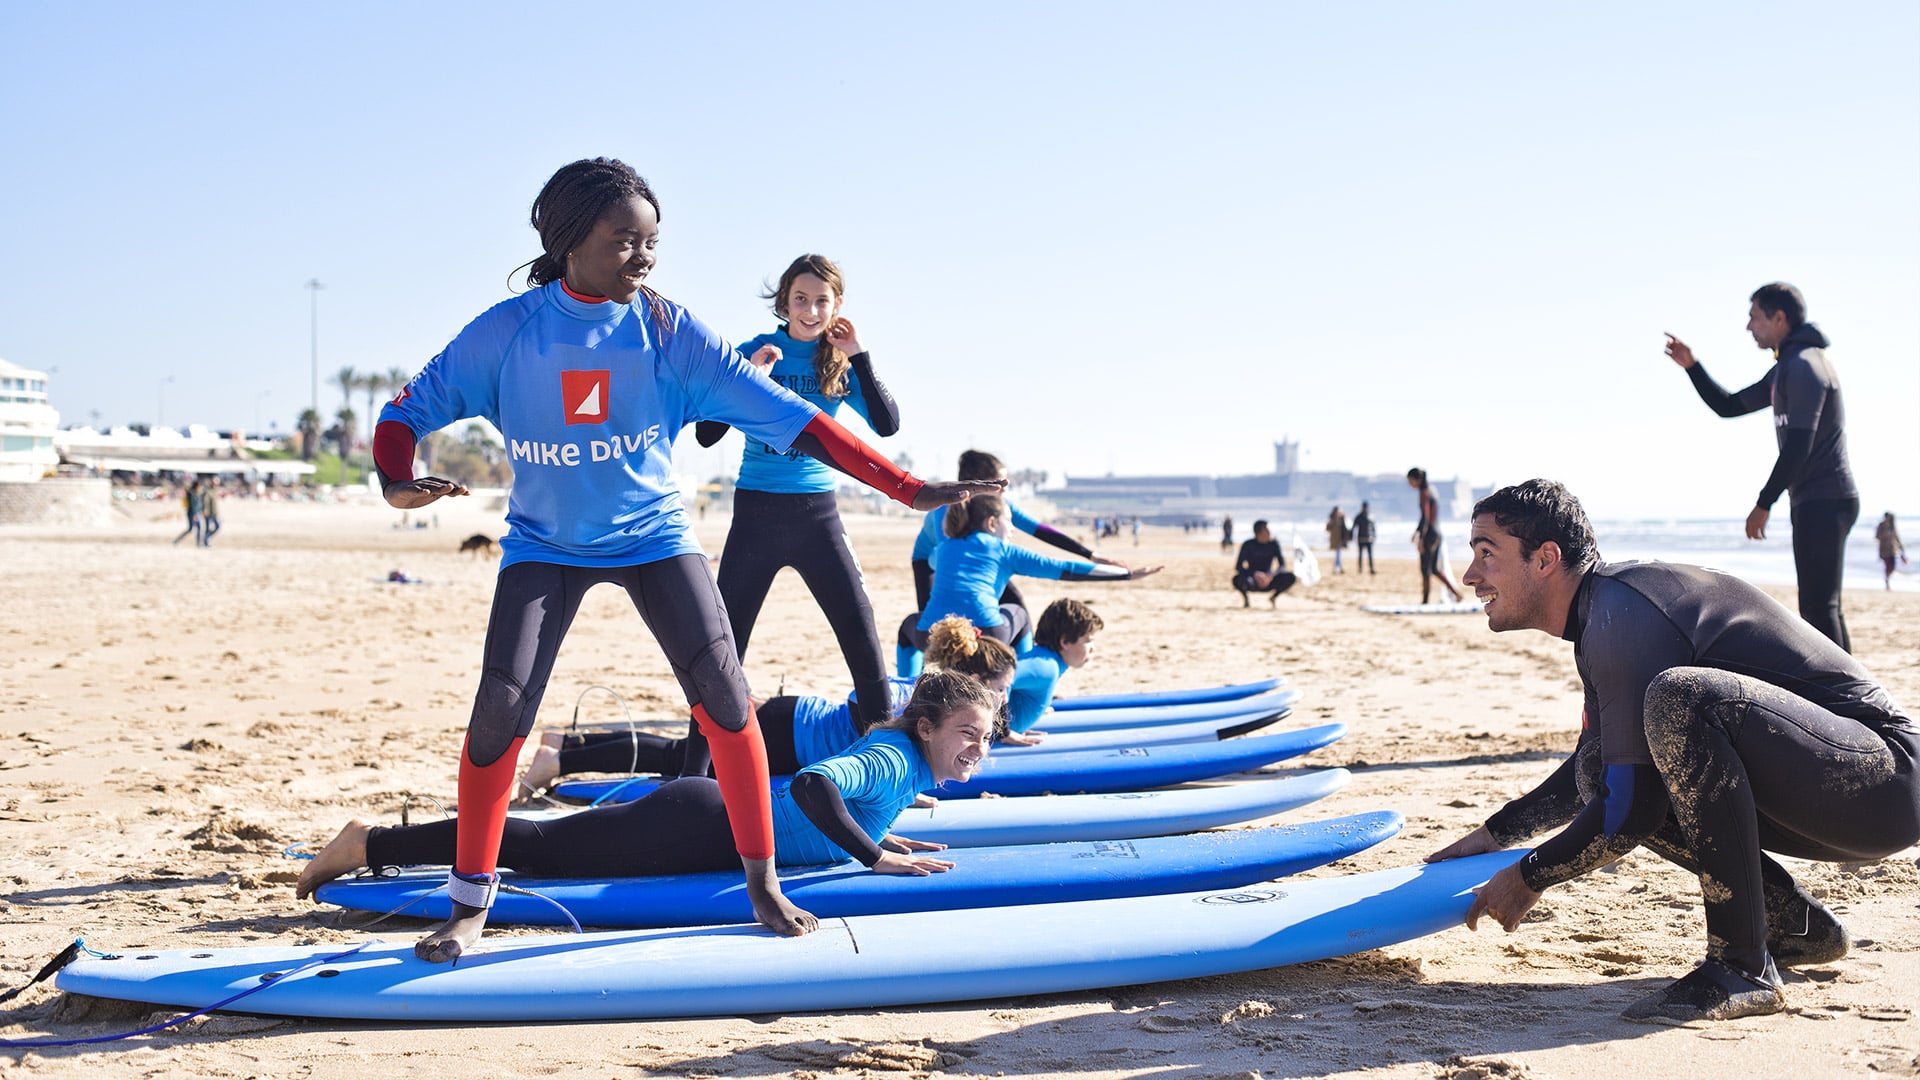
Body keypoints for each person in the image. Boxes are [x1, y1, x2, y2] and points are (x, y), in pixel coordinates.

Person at [369, 157, 1000, 964]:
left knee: (726, 700)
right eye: (624, 241)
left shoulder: (669, 331)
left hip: (655, 538)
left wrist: (906, 487)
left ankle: (762, 879)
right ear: (568, 242)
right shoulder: (509, 332)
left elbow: (792, 417)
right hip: (544, 546)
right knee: (499, 713)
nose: (644, 257)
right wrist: (395, 483)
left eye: (652, 242)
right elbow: (407, 410)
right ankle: (468, 904)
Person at [1427, 479, 1919, 1023]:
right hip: (1831, 792)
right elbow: (1599, 775)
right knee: (1602, 768)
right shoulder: (1603, 614)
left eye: (1486, 554)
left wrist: (1530, 874)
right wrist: (1494, 835)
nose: (1471, 575)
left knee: (1680, 701)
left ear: (1545, 559)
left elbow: (1632, 811)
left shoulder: (1620, 613)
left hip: (1883, 779)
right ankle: (1795, 926)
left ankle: (1741, 968)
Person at [295, 671, 1004, 899]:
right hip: (695, 823)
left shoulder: (905, 765)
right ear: (925, 727)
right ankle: (371, 843)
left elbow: (830, 805)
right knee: (540, 851)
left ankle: (377, 842)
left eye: (986, 737)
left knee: (544, 851)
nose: (978, 748)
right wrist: (872, 856)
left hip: (705, 824)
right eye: (967, 733)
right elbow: (816, 786)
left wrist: (881, 832)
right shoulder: (892, 761)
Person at [692, 255, 901, 735]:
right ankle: (697, 776)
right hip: (755, 516)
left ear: (837, 305)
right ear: (784, 301)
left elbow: (888, 426)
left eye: (820, 301)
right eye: (800, 299)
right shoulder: (756, 350)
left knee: (862, 636)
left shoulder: (840, 361)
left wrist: (860, 355)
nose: (810, 310)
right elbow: (706, 434)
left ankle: (888, 767)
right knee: (724, 648)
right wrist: (750, 380)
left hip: (817, 518)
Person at [514, 615, 1016, 797]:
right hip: (789, 732)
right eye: (995, 691)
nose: (997, 705)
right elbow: (867, 724)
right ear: (972, 681)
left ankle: (567, 747)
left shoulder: (922, 690)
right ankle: (563, 758)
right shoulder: (917, 697)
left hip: (794, 721)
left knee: (679, 755)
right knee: (679, 762)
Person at [1664, 283, 1858, 651]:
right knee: (1822, 608)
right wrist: (1693, 367)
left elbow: (1798, 446)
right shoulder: (1787, 367)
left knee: (1819, 610)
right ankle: (1852, 701)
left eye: (1754, 316)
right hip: (1817, 499)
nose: (1749, 326)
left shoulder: (1803, 366)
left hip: (1825, 498)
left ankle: (1847, 700)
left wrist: (1764, 502)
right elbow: (1730, 406)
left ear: (1779, 318)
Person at [899, 494, 1157, 674]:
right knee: (1019, 614)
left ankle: (907, 692)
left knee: (906, 628)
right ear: (991, 523)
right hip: (986, 636)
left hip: (933, 637)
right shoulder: (1004, 550)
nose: (1011, 529)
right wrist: (1123, 575)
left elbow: (930, 562)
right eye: (1008, 521)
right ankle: (1018, 687)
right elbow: (1062, 569)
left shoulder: (944, 547)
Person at [909, 450, 1108, 612]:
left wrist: (1089, 555)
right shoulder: (945, 507)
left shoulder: (1000, 505)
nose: (1005, 488)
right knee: (929, 621)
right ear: (978, 482)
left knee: (1016, 605)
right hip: (929, 561)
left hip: (977, 557)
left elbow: (1042, 531)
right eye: (999, 482)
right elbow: (944, 555)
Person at [998, 598, 1103, 746]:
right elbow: (996, 677)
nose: (1093, 648)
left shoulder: (1046, 662)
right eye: (1088, 640)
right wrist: (1003, 730)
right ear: (1065, 642)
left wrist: (1018, 725)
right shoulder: (1046, 667)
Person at [1407, 467, 1464, 603]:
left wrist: (1420, 537)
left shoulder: (1424, 493)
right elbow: (1426, 517)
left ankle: (1425, 601)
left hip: (1430, 534)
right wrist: (1417, 532)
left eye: (1410, 480)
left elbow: (1425, 518)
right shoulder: (1431, 491)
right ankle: (1457, 594)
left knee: (1425, 569)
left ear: (1418, 479)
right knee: (1433, 568)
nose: (1409, 484)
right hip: (1437, 533)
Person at [1231, 519, 1295, 607]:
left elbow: (1282, 565)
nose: (1270, 533)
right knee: (1236, 579)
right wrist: (1255, 574)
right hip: (1252, 581)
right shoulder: (1248, 545)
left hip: (1270, 579)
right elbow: (1238, 566)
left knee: (1291, 576)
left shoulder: (1273, 544)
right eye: (1267, 531)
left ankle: (1273, 597)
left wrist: (1271, 575)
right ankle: (1246, 599)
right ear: (1258, 533)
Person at [1875, 512, 1907, 589]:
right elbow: (1877, 536)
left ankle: (1887, 578)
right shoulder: (1881, 525)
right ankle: (1887, 581)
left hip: (1893, 549)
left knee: (1892, 566)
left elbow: (1896, 537)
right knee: (1887, 565)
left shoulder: (1892, 526)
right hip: (1884, 550)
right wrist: (1884, 534)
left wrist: (1901, 548)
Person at [172, 480, 202, 546]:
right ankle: (177, 540)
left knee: (198, 528)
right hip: (192, 513)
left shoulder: (197, 493)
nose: (200, 488)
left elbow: (199, 505)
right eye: (199, 486)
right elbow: (192, 505)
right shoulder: (191, 494)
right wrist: (195, 514)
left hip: (196, 513)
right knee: (190, 529)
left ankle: (198, 543)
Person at [1352, 500, 1376, 575]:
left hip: (1369, 539)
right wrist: (1351, 536)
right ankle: (1360, 569)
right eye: (1364, 507)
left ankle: (1371, 569)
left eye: (1366, 507)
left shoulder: (1371, 516)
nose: (1365, 508)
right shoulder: (1358, 517)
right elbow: (1354, 527)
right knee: (1360, 555)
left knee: (1370, 555)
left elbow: (1373, 528)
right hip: (1361, 539)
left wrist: (1374, 536)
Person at [1325, 505, 1349, 574]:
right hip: (1335, 540)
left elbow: (1345, 530)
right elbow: (1327, 528)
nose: (1339, 513)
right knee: (1338, 554)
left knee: (1338, 554)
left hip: (1341, 540)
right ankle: (1338, 568)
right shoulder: (1332, 520)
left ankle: (1337, 568)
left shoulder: (1342, 519)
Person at [197, 481, 221, 546]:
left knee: (215, 526)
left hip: (214, 512)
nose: (216, 485)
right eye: (215, 484)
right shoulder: (208, 491)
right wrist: (205, 510)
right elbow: (205, 501)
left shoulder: (214, 491)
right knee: (215, 526)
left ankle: (205, 540)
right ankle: (205, 540)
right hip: (209, 513)